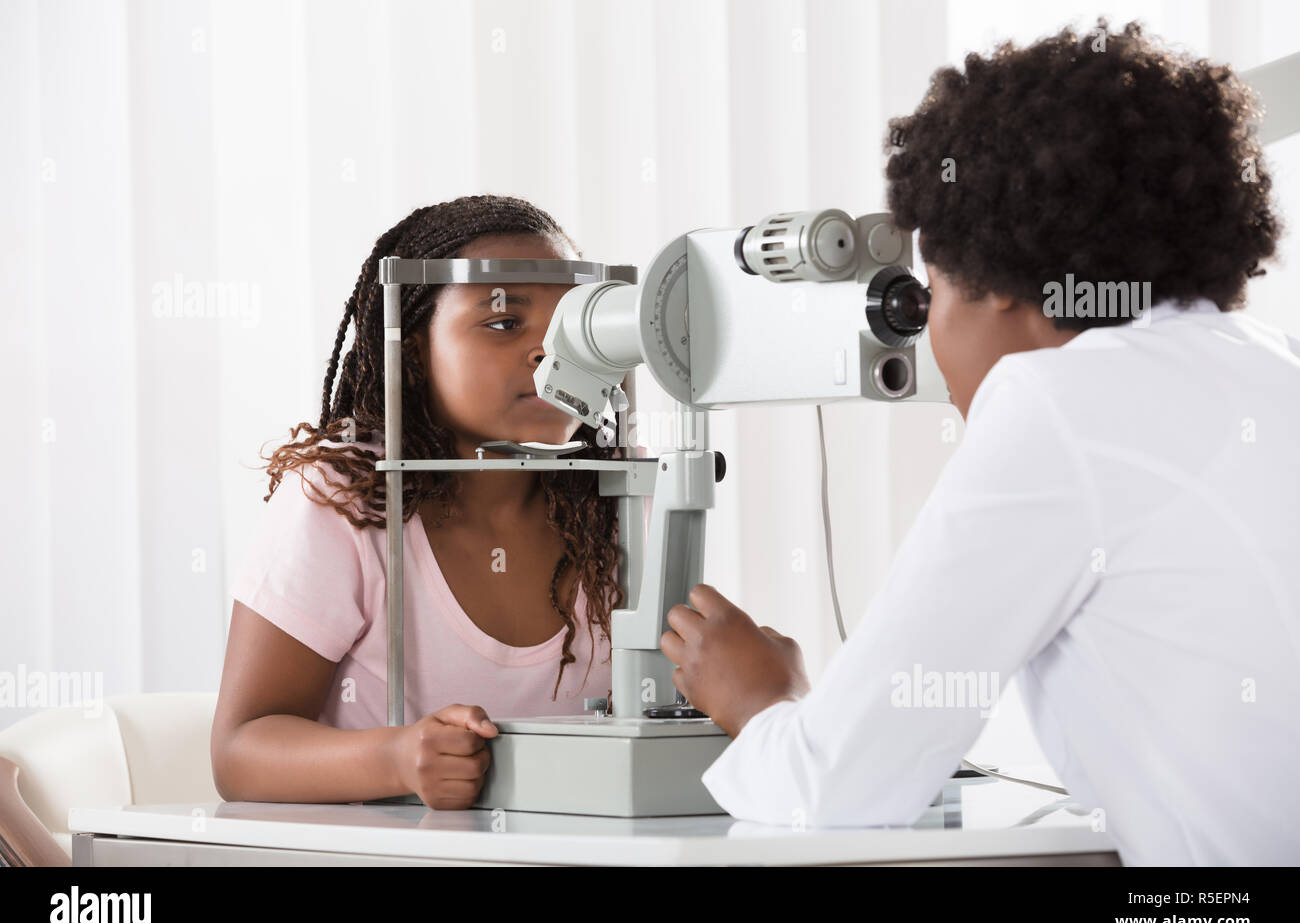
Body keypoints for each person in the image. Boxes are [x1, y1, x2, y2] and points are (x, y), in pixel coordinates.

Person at [660, 18, 1299, 865]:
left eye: (932, 295)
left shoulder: (1059, 401)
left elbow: (838, 790)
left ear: (995, 285)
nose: (929, 340)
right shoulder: (1272, 365)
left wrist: (761, 698)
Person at [212, 195, 630, 810]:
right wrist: (398, 759)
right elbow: (239, 753)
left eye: (571, 325)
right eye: (503, 322)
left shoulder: (620, 498)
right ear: (412, 351)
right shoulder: (344, 504)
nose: (548, 352)